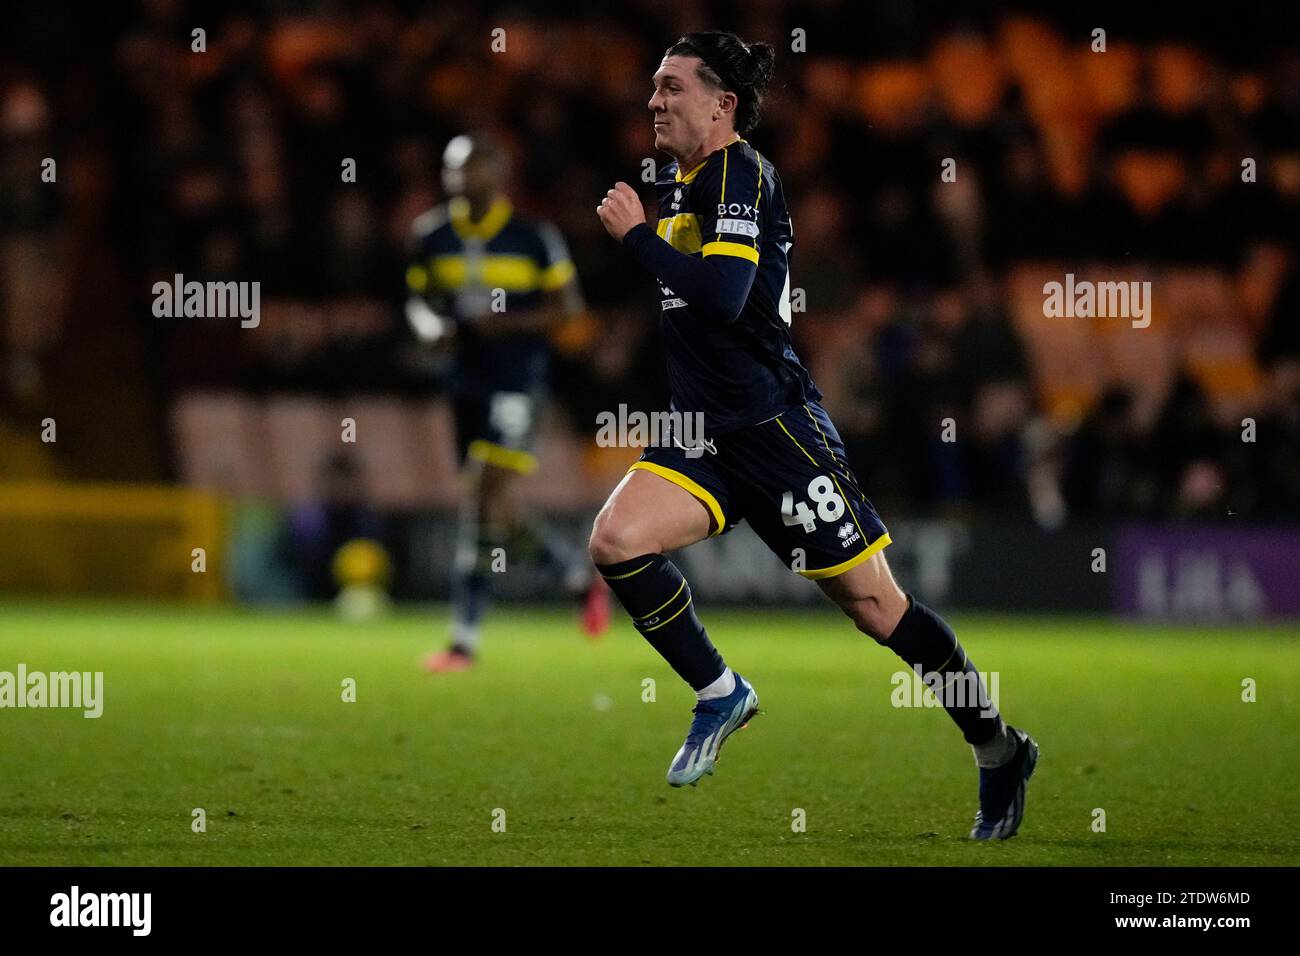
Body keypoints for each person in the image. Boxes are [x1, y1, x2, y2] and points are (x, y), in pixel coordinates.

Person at [591, 32, 1037, 839]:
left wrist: (636, 239)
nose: (654, 102)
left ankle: (997, 746)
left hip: (776, 432)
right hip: (703, 435)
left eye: (671, 88)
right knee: (617, 541)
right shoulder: (686, 183)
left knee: (878, 609)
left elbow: (726, 296)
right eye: (652, 88)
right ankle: (720, 691)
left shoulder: (742, 173)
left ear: (722, 105)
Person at [407, 133, 608, 672]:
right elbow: (419, 301)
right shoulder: (430, 235)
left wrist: (505, 325)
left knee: (481, 494)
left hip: (516, 381)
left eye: (469, 168)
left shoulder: (533, 237)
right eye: (451, 170)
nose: (458, 180)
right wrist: (429, 328)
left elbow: (568, 310)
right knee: (492, 503)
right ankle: (570, 571)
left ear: (497, 173)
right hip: (463, 384)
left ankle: (462, 640)